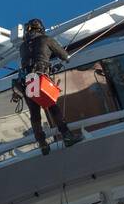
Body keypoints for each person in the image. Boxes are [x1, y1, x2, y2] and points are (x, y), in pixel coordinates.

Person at [15, 18, 81, 155]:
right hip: (40, 78)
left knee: (35, 114)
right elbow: (64, 56)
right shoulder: (46, 39)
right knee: (52, 107)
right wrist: (64, 59)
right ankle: (67, 136)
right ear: (40, 28)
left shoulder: (22, 47)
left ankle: (42, 144)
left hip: (26, 82)